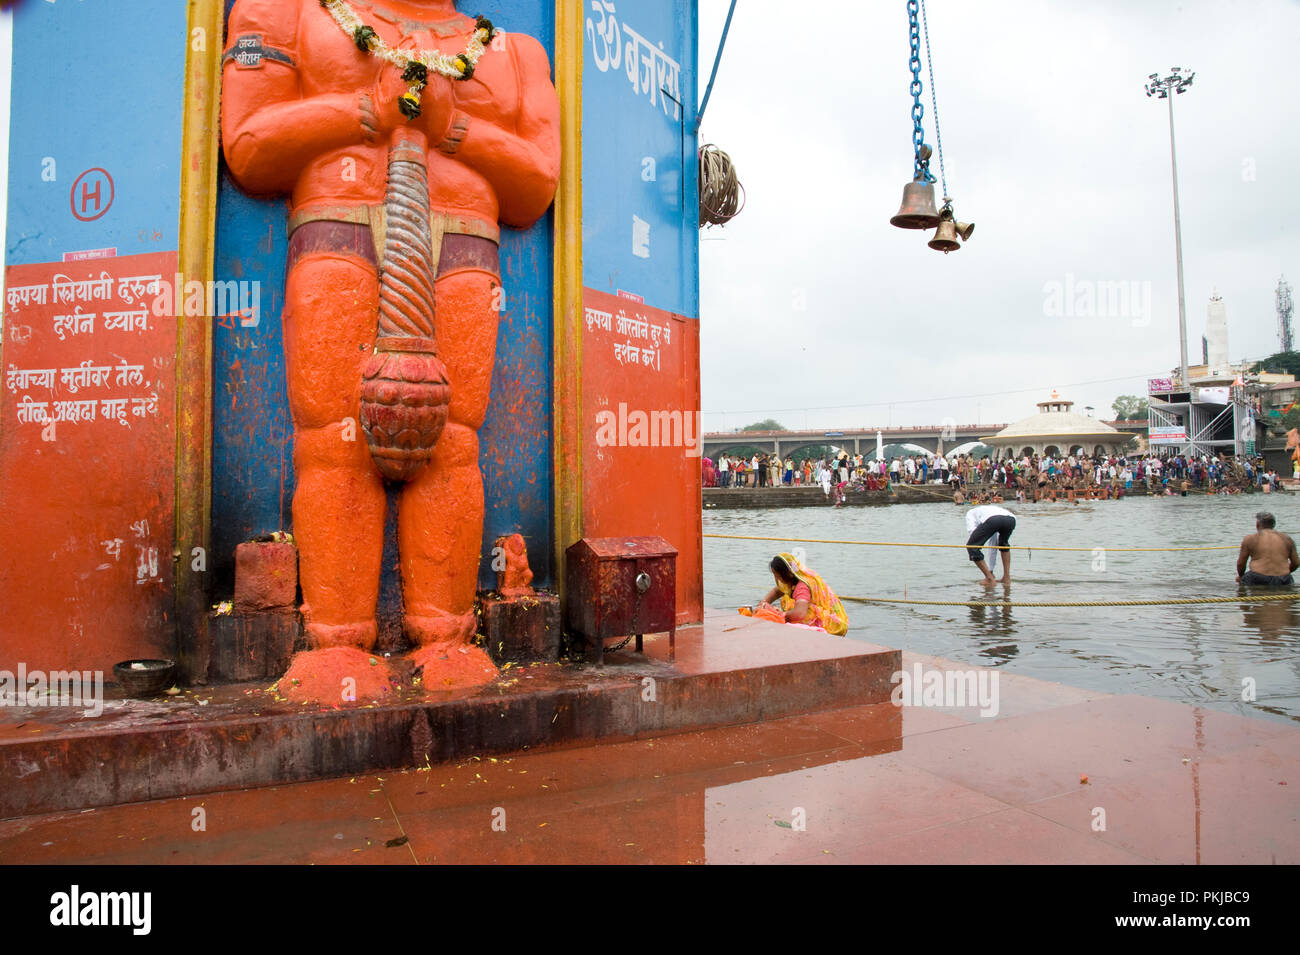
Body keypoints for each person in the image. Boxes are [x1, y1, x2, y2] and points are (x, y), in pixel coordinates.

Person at [747, 553, 849, 635]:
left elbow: (800, 613)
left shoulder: (802, 587)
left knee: (788, 617)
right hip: (821, 614)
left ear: (787, 574)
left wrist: (781, 614)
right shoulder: (793, 580)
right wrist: (764, 602)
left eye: (778, 576)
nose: (777, 578)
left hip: (831, 624)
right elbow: (777, 591)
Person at [1236, 512, 1299, 586]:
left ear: (1257, 524)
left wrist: (1240, 576)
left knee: (1242, 584)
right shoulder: (1287, 539)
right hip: (1284, 579)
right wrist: (1284, 572)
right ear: (1273, 525)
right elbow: (1296, 563)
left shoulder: (1250, 539)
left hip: (1258, 577)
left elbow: (1241, 564)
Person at [965, 500, 1016, 585]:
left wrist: (990, 575)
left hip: (994, 519)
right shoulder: (985, 513)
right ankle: (1006, 578)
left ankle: (989, 579)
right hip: (1011, 519)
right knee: (1003, 544)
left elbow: (972, 533)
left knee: (972, 547)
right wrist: (991, 570)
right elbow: (993, 545)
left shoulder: (970, 514)